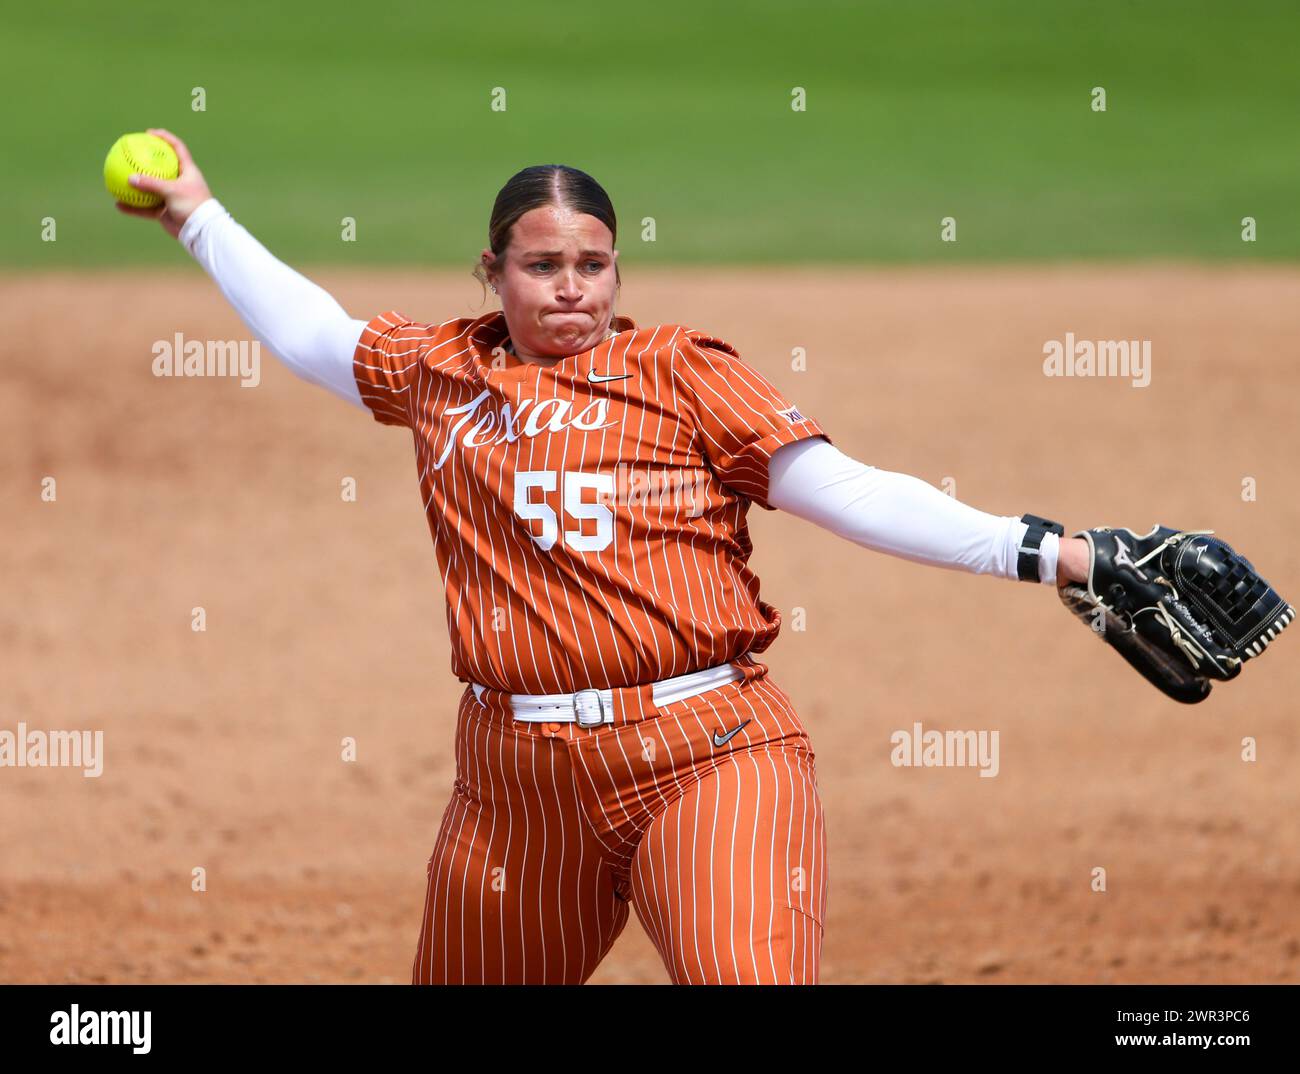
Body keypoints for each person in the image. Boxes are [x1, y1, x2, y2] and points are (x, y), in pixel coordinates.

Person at [120, 128, 1091, 985]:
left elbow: (846, 493)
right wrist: (197, 217)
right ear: (491, 273)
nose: (572, 288)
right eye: (542, 266)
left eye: (593, 264)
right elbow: (310, 334)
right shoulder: (442, 373)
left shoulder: (680, 371)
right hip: (512, 785)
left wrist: (1048, 553)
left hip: (705, 754)